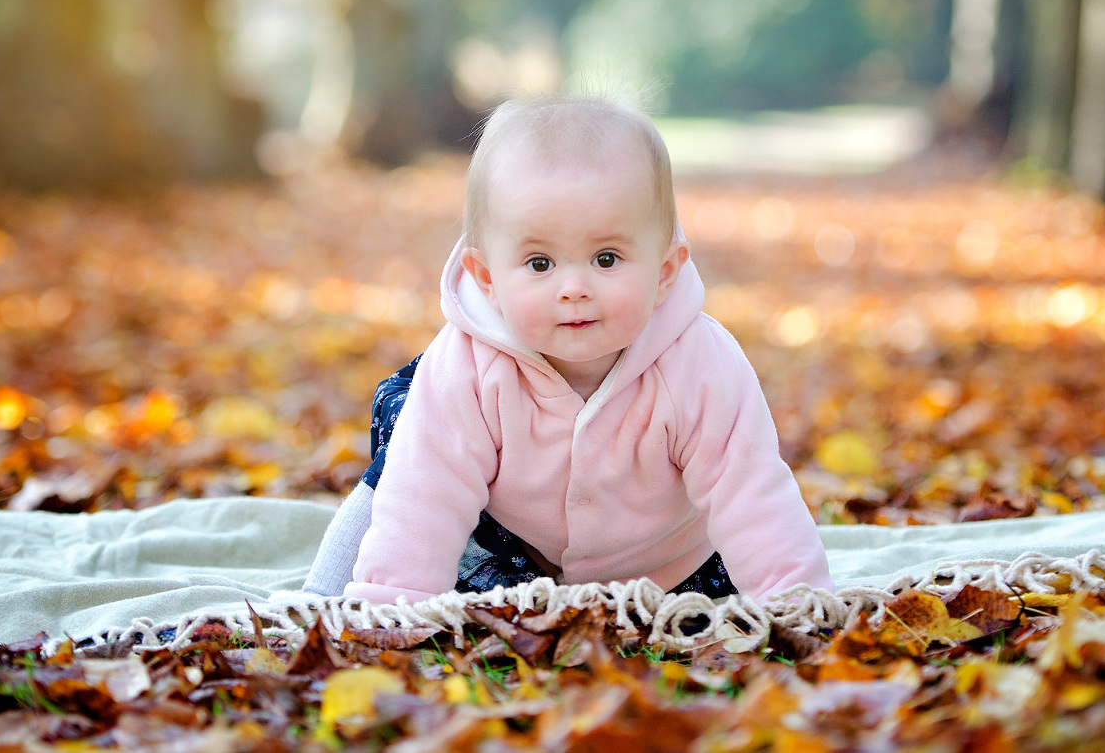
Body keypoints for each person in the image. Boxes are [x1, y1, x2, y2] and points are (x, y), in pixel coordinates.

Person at [303, 94, 834, 604]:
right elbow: (422, 498)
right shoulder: (466, 366)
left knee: (731, 585)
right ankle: (331, 588)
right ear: (486, 278)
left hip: (670, 568)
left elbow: (751, 491)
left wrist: (798, 600)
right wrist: (392, 607)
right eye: (540, 263)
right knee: (407, 425)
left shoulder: (701, 363)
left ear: (665, 270)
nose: (573, 287)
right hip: (512, 558)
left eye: (606, 258)